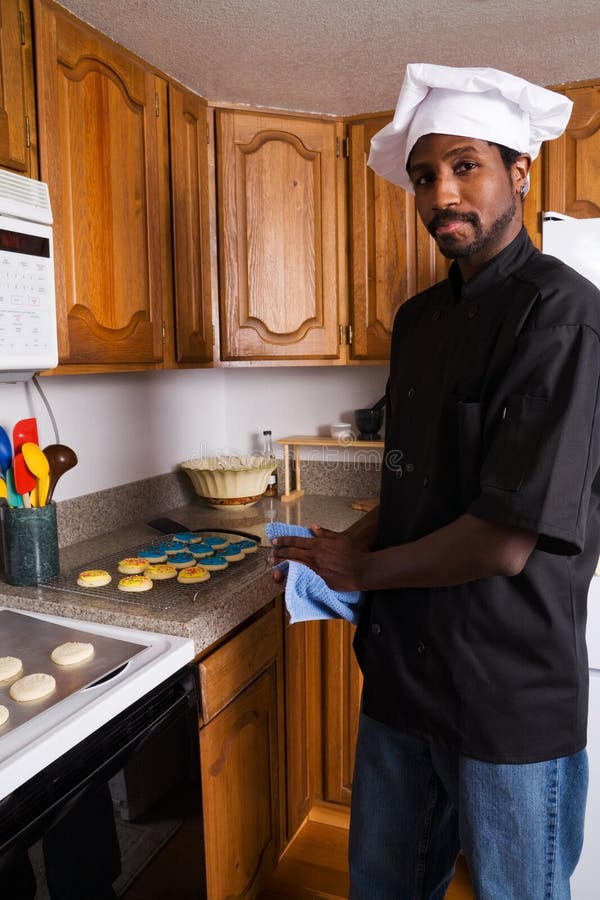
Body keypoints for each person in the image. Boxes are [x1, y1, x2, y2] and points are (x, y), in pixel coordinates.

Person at [270, 63, 600, 899]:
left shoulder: (563, 316)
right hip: (402, 676)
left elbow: (505, 536)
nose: (441, 193)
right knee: (382, 883)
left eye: (464, 166)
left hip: (504, 690)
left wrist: (361, 568)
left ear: (519, 173)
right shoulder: (418, 322)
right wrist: (343, 544)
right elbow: (419, 485)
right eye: (424, 177)